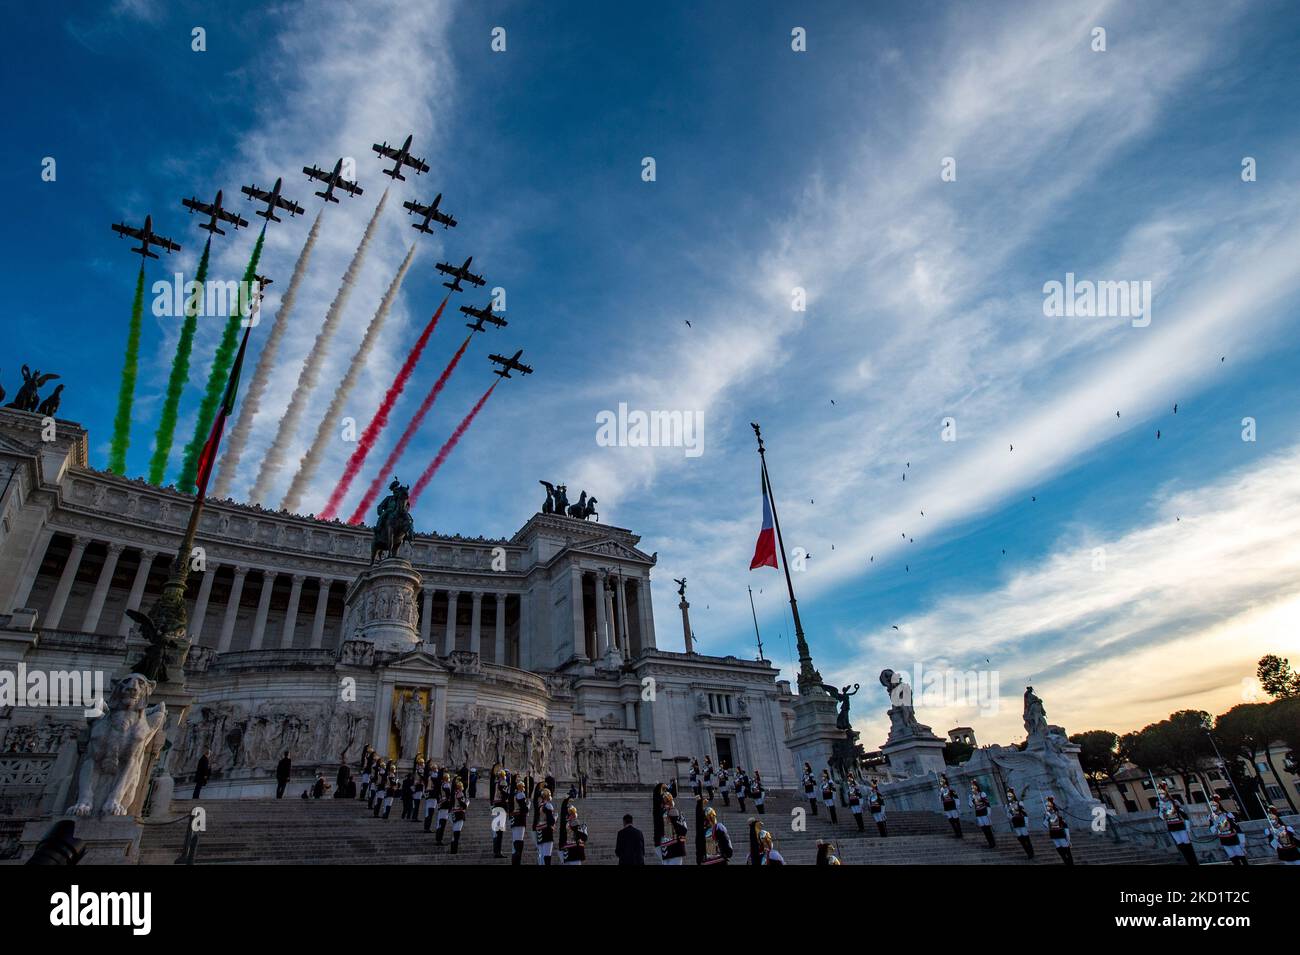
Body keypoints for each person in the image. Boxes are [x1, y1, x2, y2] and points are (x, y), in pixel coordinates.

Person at [1156, 782, 1197, 866]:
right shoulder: (1161, 805)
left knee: (1186, 843)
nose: (1161, 795)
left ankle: (1194, 862)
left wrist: (1188, 829)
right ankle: (1188, 862)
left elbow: (1185, 816)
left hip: (1180, 825)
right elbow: (1162, 818)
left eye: (1162, 793)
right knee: (1180, 844)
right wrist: (1160, 808)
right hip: (1171, 826)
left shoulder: (1174, 802)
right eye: (1159, 794)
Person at [1207, 796, 1247, 865]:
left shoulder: (1227, 815)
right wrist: (1213, 821)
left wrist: (1242, 842)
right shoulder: (1212, 818)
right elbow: (1213, 831)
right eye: (1211, 806)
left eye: (1214, 805)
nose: (1213, 807)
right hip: (1224, 840)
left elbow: (1237, 828)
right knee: (1233, 857)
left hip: (1233, 839)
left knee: (1241, 856)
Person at [696, 797, 732, 865]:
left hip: (708, 860)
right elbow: (727, 844)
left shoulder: (702, 831)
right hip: (718, 860)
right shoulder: (719, 827)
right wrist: (728, 853)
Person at [659, 792, 688, 865]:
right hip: (671, 848)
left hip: (671, 848)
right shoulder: (666, 813)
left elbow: (683, 830)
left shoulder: (672, 812)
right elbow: (683, 830)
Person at [1005, 787, 1034, 859]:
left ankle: (1031, 852)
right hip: (1015, 822)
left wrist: (1026, 822)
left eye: (1010, 795)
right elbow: (1008, 816)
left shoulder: (1019, 803)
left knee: (1026, 837)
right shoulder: (1008, 805)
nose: (1009, 797)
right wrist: (1008, 810)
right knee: (1020, 838)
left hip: (1022, 821)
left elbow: (1024, 813)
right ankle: (1027, 852)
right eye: (1008, 796)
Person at [1044, 796, 1073, 865]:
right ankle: (1066, 862)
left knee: (1066, 850)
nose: (1048, 808)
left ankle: (1070, 863)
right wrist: (1046, 818)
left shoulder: (1059, 817)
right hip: (1054, 834)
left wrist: (1068, 839)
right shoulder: (1047, 816)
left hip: (1061, 834)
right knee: (1060, 850)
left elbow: (1065, 827)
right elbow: (1045, 825)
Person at [559, 799, 588, 865]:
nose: (570, 816)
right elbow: (584, 837)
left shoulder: (573, 823)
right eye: (570, 814)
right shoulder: (572, 823)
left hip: (571, 850)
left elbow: (584, 837)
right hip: (571, 850)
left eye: (571, 814)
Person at [533, 786, 556, 865]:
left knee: (541, 854)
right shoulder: (548, 805)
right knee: (547, 855)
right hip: (547, 830)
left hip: (539, 830)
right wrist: (555, 818)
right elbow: (551, 821)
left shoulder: (540, 805)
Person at [968, 780, 995, 848]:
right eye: (971, 788)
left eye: (973, 788)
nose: (972, 789)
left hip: (984, 812)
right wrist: (970, 799)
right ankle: (989, 842)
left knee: (988, 828)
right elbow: (970, 805)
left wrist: (988, 812)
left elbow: (987, 804)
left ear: (977, 787)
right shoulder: (972, 796)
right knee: (984, 829)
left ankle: (992, 842)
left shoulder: (982, 794)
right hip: (978, 813)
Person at [510, 779, 530, 865]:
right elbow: (524, 809)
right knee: (519, 842)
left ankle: (515, 861)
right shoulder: (521, 794)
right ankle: (517, 862)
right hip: (520, 819)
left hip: (514, 818)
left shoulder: (515, 795)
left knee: (515, 841)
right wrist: (528, 805)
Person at [449, 780, 468, 854]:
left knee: (454, 832)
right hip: (459, 813)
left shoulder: (454, 793)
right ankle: (454, 849)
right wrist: (467, 803)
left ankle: (453, 849)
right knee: (457, 832)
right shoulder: (460, 793)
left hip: (454, 812)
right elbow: (463, 805)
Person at [651, 783, 666, 847]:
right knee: (658, 832)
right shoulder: (657, 796)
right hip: (658, 816)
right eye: (663, 789)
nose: (664, 791)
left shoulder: (660, 796)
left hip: (661, 817)